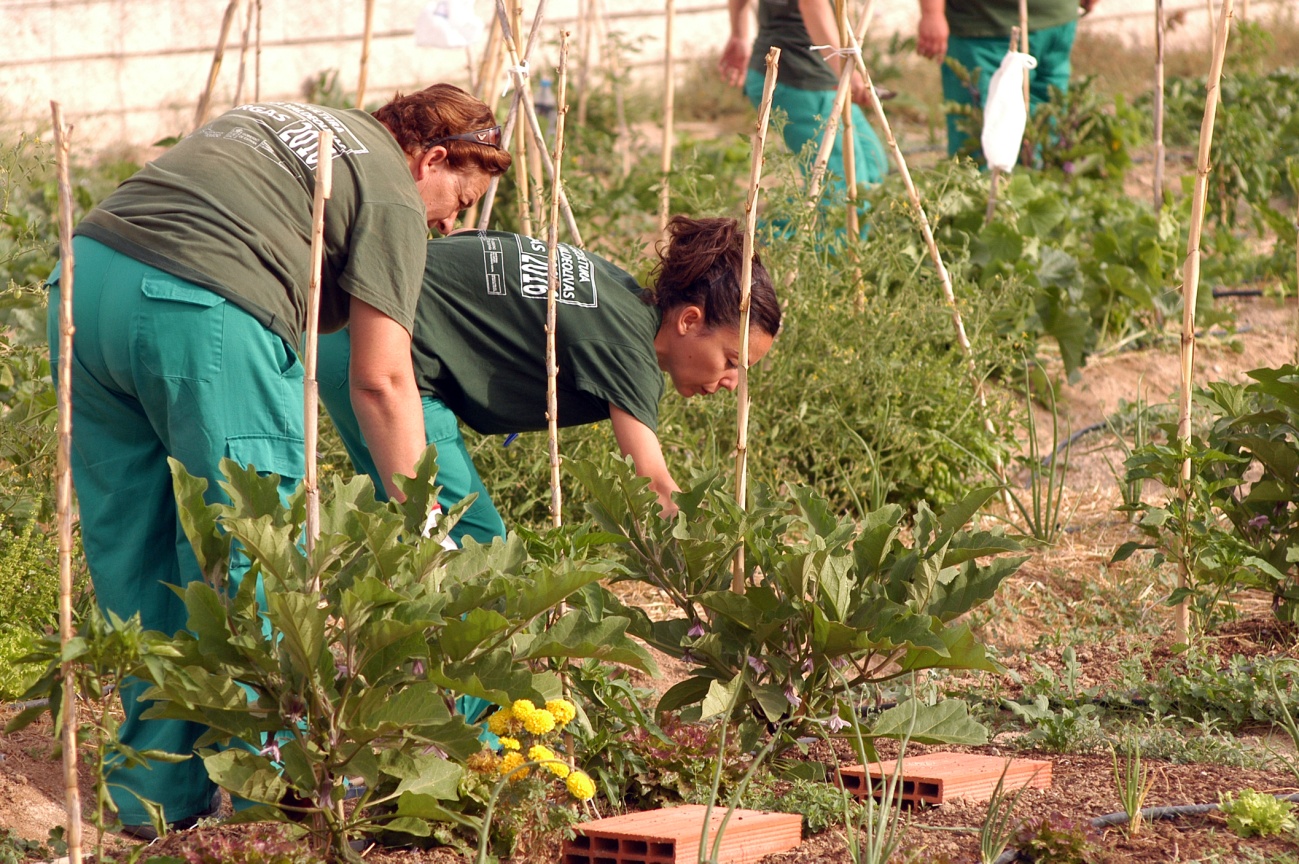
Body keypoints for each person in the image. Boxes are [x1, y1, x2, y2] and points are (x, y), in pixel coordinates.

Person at [46, 84, 511, 838]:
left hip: (84, 284)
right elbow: (382, 380)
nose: (451, 221)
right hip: (197, 310)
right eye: (459, 199)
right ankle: (279, 801)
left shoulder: (285, 117)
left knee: (129, 548)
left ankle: (150, 796)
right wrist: (425, 528)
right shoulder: (393, 191)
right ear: (429, 159)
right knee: (257, 552)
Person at [316, 216, 782, 545]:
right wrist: (724, 564)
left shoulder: (620, 294)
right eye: (731, 360)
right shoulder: (629, 350)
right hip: (380, 348)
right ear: (689, 321)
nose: (731, 382)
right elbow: (653, 487)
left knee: (415, 531)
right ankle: (458, 686)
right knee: (469, 539)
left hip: (350, 317)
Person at [719, 0, 889, 195]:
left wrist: (739, 35)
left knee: (872, 166)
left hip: (807, 74)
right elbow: (811, 3)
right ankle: (770, 227)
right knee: (842, 189)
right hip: (797, 76)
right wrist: (845, 71)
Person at [917, 0, 1099, 157]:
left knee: (1046, 140)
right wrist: (932, 12)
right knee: (982, 148)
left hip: (1057, 22)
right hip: (986, 28)